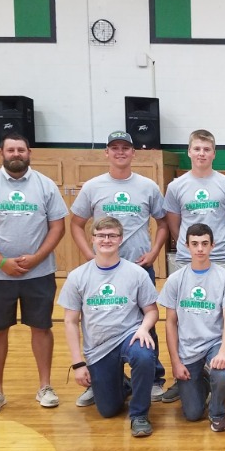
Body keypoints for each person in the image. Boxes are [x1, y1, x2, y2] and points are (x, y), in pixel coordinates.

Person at [0, 133, 68, 415]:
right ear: (1, 153)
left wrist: (36, 258)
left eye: (21, 150)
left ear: (29, 152)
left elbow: (57, 227)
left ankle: (45, 386)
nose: (16, 154)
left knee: (41, 327)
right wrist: (1, 263)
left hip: (39, 273)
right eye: (10, 150)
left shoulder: (45, 185)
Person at [69, 130, 168, 406]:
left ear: (134, 153)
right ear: (107, 153)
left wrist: (155, 252)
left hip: (138, 268)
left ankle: (154, 379)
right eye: (115, 148)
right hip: (103, 270)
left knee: (146, 322)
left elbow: (163, 223)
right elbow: (76, 224)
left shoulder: (148, 186)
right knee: (98, 320)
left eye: (126, 147)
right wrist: (90, 255)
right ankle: (99, 379)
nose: (120, 152)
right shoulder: (93, 186)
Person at [58, 218, 160, 437]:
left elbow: (152, 310)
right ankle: (120, 384)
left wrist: (143, 329)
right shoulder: (78, 276)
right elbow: (70, 321)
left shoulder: (136, 273)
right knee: (108, 410)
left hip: (129, 336)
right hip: (98, 347)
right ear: (93, 239)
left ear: (120, 239)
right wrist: (78, 364)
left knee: (143, 355)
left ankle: (139, 415)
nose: (107, 240)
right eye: (101, 235)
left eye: (112, 235)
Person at [162, 129, 225, 403]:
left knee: (221, 316)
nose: (201, 154)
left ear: (214, 153)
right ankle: (183, 372)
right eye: (197, 149)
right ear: (189, 151)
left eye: (206, 149)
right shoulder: (176, 186)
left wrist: (220, 246)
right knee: (186, 316)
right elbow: (173, 223)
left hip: (219, 257)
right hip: (187, 259)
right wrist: (191, 247)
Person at [157, 223, 225, 431]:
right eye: (195, 244)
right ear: (186, 246)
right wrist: (175, 362)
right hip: (188, 347)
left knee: (221, 375)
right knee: (192, 414)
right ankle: (202, 378)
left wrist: (223, 352)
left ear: (212, 245)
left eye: (204, 243)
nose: (200, 249)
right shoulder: (175, 280)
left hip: (215, 343)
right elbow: (171, 322)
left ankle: (217, 412)